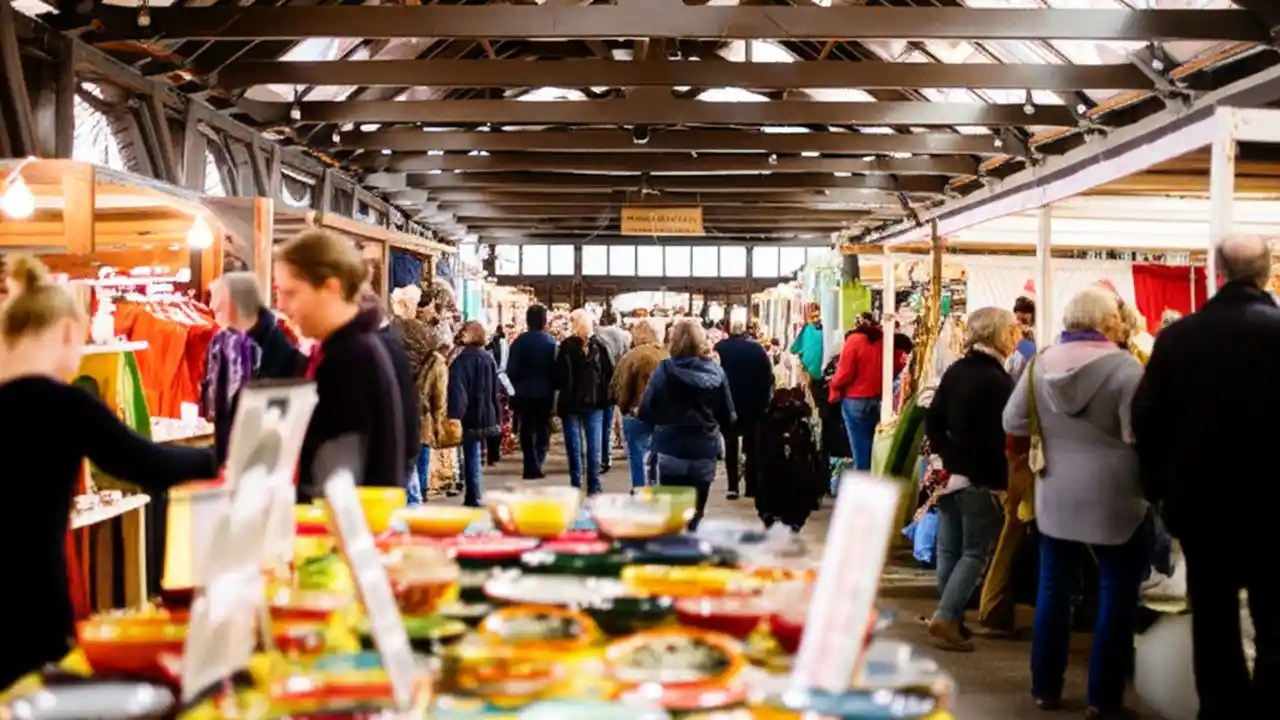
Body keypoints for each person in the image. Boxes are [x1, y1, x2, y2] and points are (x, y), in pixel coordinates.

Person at [0, 255, 216, 689]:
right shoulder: (62, 405)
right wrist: (228, 454)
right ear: (65, 331)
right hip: (29, 599)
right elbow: (147, 466)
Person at [1133, 234, 1280, 720]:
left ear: (1217, 273)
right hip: (1273, 503)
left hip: (1202, 503)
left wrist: (1160, 489)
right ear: (1266, 273)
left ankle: (1220, 707)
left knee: (1212, 614)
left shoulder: (1179, 338)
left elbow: (1147, 420)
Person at [1004, 288, 1148, 718]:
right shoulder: (1127, 370)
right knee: (1116, 595)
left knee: (1053, 591)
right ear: (1109, 324)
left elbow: (1012, 420)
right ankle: (1102, 699)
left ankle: (1045, 688)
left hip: (1055, 494)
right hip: (1117, 498)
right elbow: (1134, 433)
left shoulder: (1039, 364)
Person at [275, 230, 409, 501]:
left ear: (331, 288)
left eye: (291, 293)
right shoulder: (338, 352)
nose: (282, 306)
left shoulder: (352, 359)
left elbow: (336, 474)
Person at [923, 307, 1019, 653]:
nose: (1016, 338)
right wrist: (998, 480)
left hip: (948, 476)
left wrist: (946, 457)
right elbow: (998, 437)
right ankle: (948, 617)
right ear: (997, 335)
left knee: (949, 549)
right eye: (1011, 332)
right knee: (975, 553)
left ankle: (949, 615)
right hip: (977, 477)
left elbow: (933, 420)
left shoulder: (957, 371)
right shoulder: (996, 380)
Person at [637, 319, 735, 530]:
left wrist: (661, 420)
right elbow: (728, 416)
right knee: (695, 514)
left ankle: (670, 554)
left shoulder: (665, 370)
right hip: (703, 450)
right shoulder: (716, 372)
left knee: (668, 515)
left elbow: (646, 408)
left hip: (670, 448)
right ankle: (690, 549)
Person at [204, 272, 305, 464]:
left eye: (219, 301)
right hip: (233, 462)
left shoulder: (280, 352)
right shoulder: (224, 346)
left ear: (238, 303)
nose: (212, 307)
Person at [828, 314, 902, 470]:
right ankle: (874, 481)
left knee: (860, 450)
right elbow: (896, 365)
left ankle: (864, 487)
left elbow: (844, 374)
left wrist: (833, 385)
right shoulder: (883, 341)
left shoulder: (854, 341)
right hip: (877, 400)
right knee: (874, 446)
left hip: (854, 400)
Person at [554, 309, 613, 495]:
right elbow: (609, 373)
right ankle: (594, 486)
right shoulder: (600, 346)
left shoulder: (566, 346)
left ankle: (575, 483)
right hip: (595, 402)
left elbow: (558, 376)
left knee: (574, 446)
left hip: (570, 402)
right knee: (594, 445)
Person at [714, 319, 774, 500]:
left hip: (729, 403)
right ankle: (751, 486)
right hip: (754, 404)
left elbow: (714, 374)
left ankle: (733, 487)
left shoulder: (720, 348)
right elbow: (768, 377)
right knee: (753, 445)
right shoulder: (757, 349)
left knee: (731, 445)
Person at [446, 321, 502, 507]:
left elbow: (458, 392)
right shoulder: (488, 358)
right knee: (476, 454)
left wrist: (455, 416)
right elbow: (496, 389)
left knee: (471, 455)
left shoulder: (461, 362)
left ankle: (474, 495)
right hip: (486, 413)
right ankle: (474, 493)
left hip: (470, 415)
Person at [610, 319, 668, 491]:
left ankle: (640, 490)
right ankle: (656, 489)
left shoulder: (631, 356)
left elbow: (619, 384)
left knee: (638, 457)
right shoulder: (666, 356)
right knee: (657, 457)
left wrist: (624, 406)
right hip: (662, 414)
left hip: (635, 413)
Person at [389, 285, 435, 499]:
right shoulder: (423, 334)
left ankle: (415, 494)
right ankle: (418, 493)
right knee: (416, 448)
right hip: (418, 399)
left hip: (403, 399)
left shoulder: (391, 332)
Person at [506, 305, 556, 480]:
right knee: (543, 428)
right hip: (545, 393)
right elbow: (555, 370)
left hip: (523, 393)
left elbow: (511, 370)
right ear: (544, 320)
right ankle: (539, 461)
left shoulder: (519, 342)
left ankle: (530, 464)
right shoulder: (550, 342)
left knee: (526, 429)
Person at [594, 310, 629, 473]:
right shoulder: (625, 336)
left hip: (599, 382)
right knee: (611, 422)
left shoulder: (596, 335)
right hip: (618, 380)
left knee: (597, 421)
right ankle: (606, 457)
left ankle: (598, 457)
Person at [1006, 296, 1037, 382]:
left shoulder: (1037, 333)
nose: (1019, 322)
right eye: (1017, 318)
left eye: (1023, 318)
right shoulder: (1014, 332)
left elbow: (1034, 354)